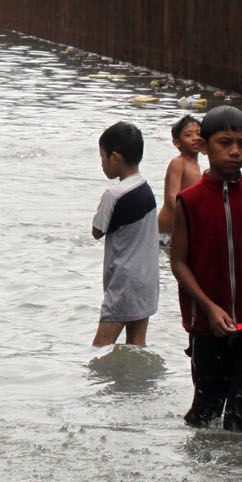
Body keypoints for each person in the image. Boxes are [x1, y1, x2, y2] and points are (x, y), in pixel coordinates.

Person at [169, 106, 242, 432]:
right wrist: (208, 307)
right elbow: (178, 262)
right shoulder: (189, 202)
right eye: (225, 143)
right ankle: (208, 479)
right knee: (206, 411)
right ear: (204, 146)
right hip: (207, 327)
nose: (235, 151)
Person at [91, 122, 159, 350]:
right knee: (137, 345)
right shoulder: (146, 189)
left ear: (116, 157)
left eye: (102, 157)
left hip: (123, 283)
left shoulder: (114, 194)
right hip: (146, 279)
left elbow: (96, 231)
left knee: (100, 348)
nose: (102, 164)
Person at [157, 113, 204, 233]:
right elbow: (173, 197)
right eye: (189, 135)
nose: (195, 138)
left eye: (199, 134)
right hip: (167, 229)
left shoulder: (197, 167)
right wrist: (189, 219)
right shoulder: (178, 163)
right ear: (177, 143)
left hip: (182, 226)